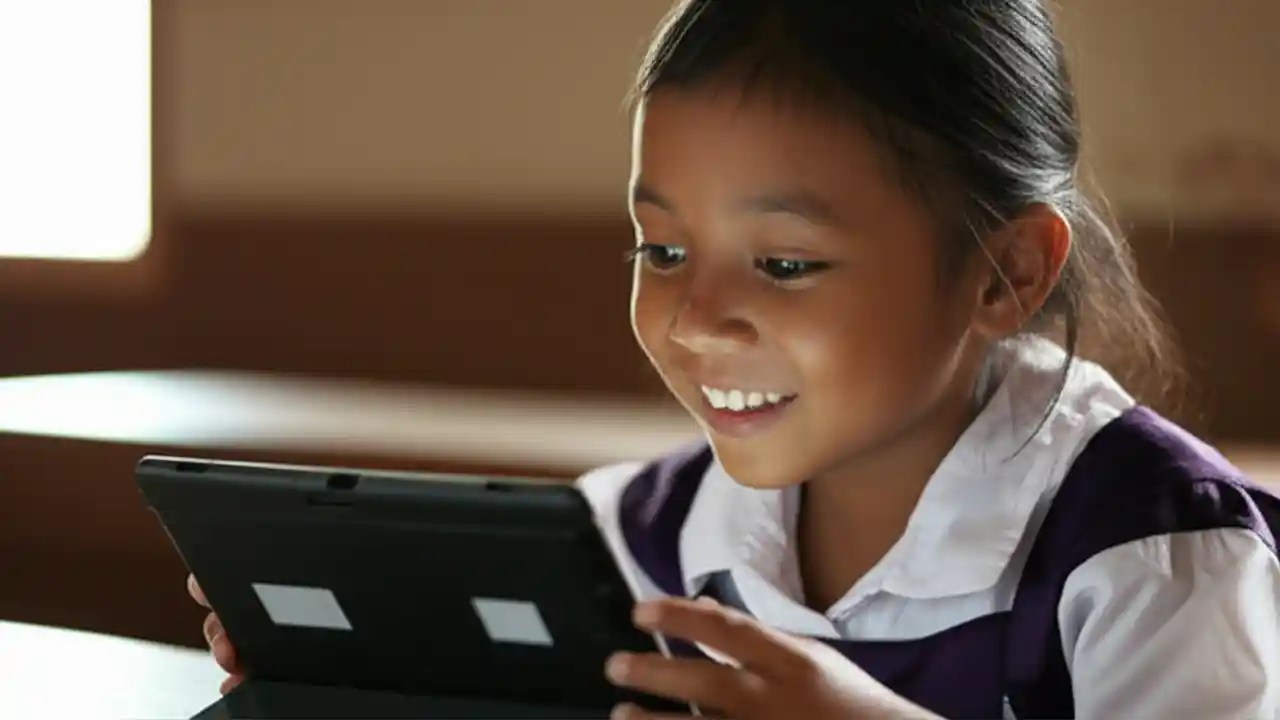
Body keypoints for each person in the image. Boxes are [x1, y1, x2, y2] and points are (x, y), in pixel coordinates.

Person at [193, 1, 1280, 717]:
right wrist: (346, 676)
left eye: (785, 264)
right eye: (661, 250)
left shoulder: (1153, 551)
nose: (695, 319)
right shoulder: (635, 539)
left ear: (1005, 273)